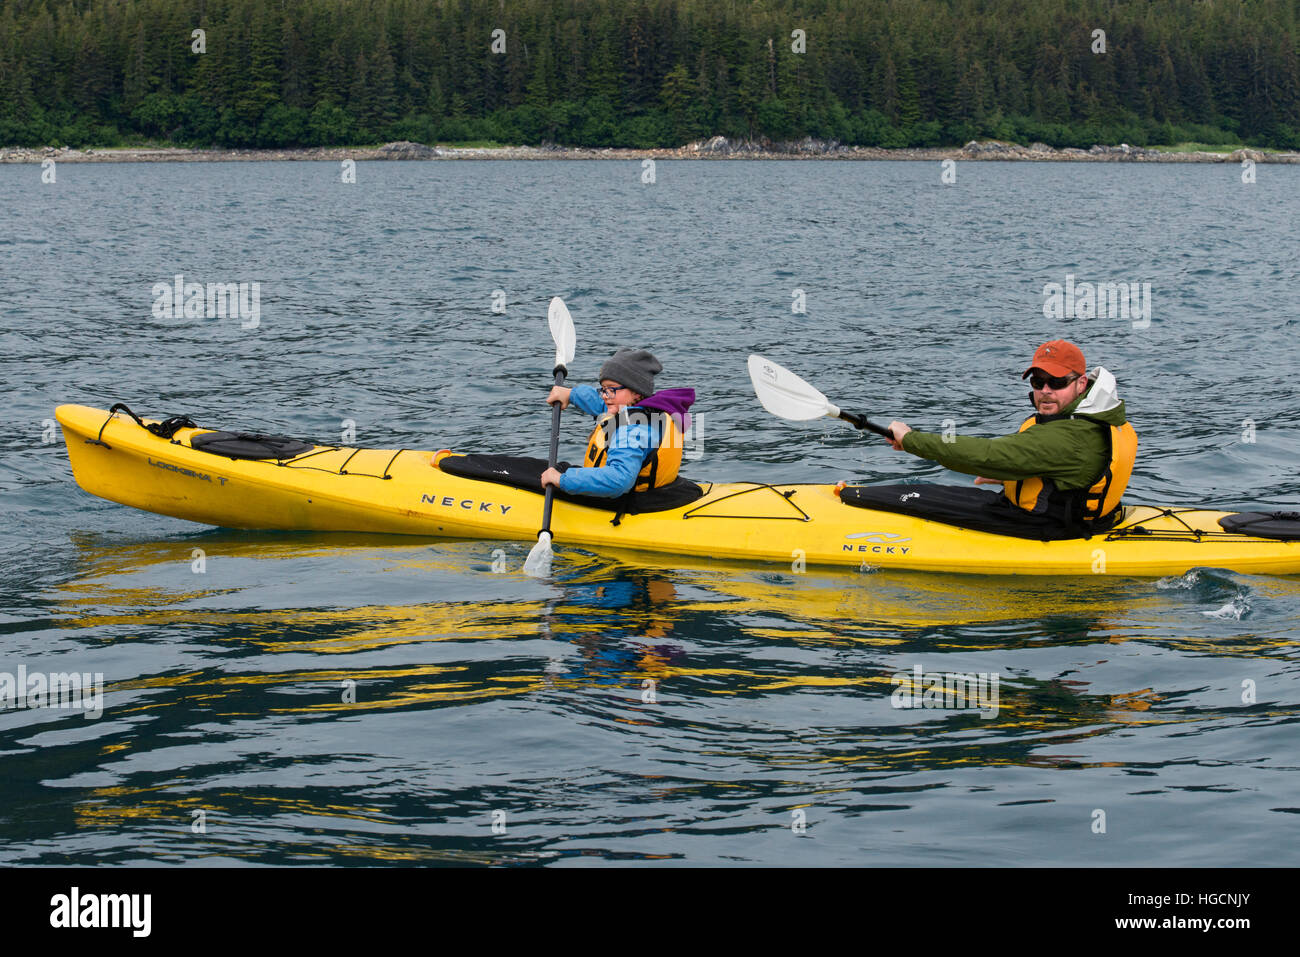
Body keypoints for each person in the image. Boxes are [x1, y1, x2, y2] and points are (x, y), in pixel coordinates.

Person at [884, 340, 1137, 531]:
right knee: (930, 493)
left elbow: (986, 454)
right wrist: (1009, 476)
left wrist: (910, 440)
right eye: (1038, 382)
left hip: (1050, 528)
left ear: (1081, 384)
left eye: (1056, 382)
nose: (1045, 391)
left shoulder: (1071, 436)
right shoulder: (1100, 418)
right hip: (1086, 520)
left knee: (918, 498)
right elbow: (1066, 472)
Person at [540, 348, 696, 498]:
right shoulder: (647, 409)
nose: (605, 395)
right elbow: (600, 403)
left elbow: (619, 480)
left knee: (529, 471)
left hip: (626, 501)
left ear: (636, 391)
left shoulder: (634, 430)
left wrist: (562, 480)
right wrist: (571, 394)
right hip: (660, 492)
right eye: (603, 389)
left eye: (612, 389)